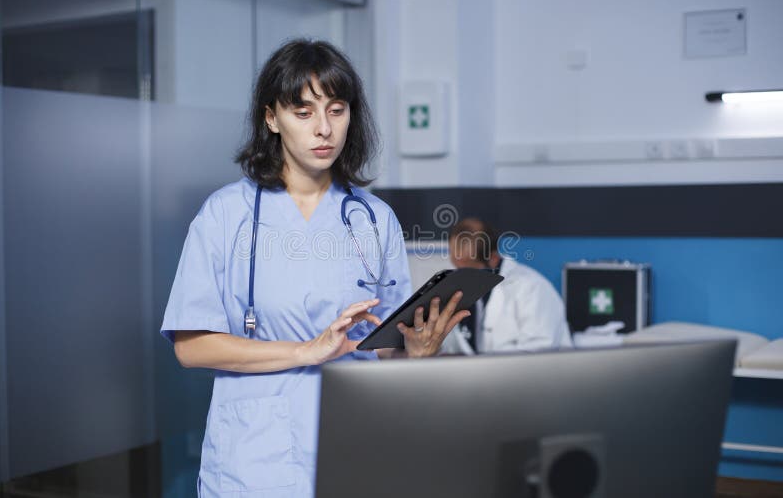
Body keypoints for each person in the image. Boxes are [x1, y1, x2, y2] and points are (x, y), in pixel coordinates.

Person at [160, 39, 470, 497]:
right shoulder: (226, 215)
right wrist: (308, 350)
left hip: (355, 445)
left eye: (336, 110)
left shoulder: (374, 218)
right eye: (303, 112)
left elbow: (381, 345)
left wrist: (416, 353)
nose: (323, 128)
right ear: (272, 119)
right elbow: (191, 347)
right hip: (254, 463)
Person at [441, 218, 572, 355]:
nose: (464, 276)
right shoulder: (464, 288)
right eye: (459, 268)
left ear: (493, 258)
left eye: (471, 270)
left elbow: (541, 350)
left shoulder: (531, 287)